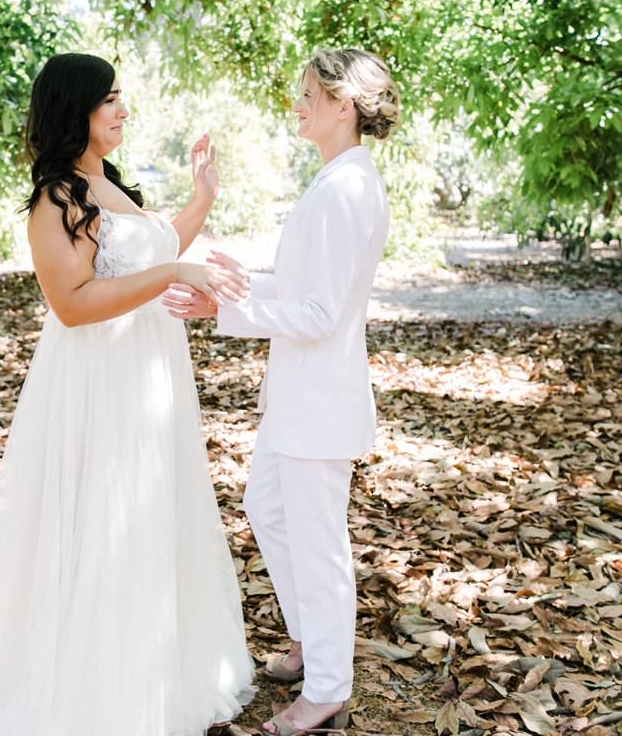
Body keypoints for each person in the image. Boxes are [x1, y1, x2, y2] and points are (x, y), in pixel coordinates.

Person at [0, 53, 255, 735]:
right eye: (107, 98)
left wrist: (202, 195)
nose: (121, 108)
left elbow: (154, 248)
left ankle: (150, 672)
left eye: (121, 97)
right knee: (97, 523)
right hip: (97, 382)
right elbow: (74, 303)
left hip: (145, 379)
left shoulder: (104, 182)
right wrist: (175, 268)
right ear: (74, 109)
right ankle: (93, 693)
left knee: (147, 518)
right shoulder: (55, 198)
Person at [164, 49, 399, 736]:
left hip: (320, 403)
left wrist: (225, 312)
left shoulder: (348, 189)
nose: (296, 104)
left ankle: (327, 688)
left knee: (319, 542)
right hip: (299, 399)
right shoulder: (336, 180)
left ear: (341, 104)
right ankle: (308, 641)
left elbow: (322, 315)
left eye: (306, 93)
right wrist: (243, 283)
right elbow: (304, 293)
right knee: (266, 504)